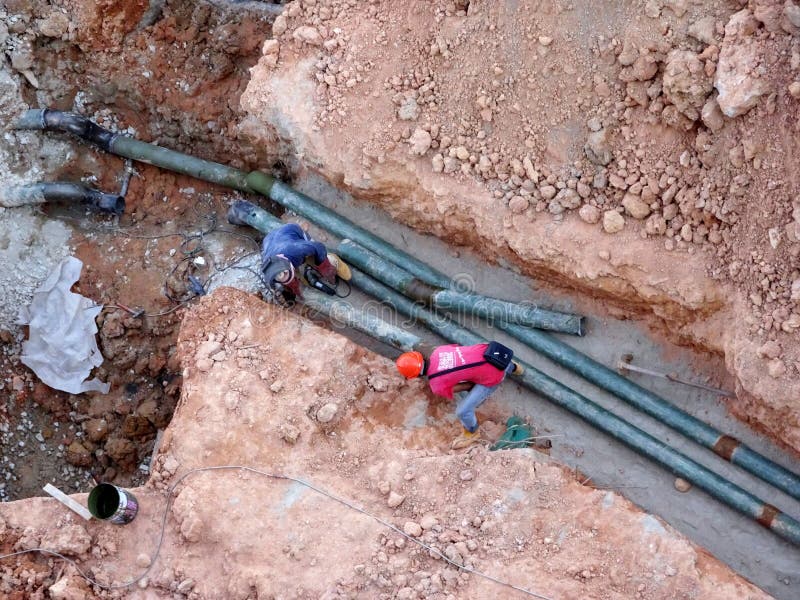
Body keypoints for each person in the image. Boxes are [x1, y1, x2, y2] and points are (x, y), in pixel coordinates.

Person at [395, 342, 523, 448]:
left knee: (462, 411)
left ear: (417, 375)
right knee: (474, 361)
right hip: (496, 353)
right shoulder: (439, 351)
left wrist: (474, 386)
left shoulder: (436, 384)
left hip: (495, 376)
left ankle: (472, 432)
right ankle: (515, 368)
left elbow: (465, 387)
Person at [260, 223, 350, 304]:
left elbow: (319, 247)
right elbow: (283, 280)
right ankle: (305, 274)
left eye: (285, 274)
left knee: (314, 255)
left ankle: (332, 259)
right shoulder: (271, 271)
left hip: (291, 231)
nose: (282, 276)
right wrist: (296, 291)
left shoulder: (297, 249)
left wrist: (325, 267)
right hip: (269, 241)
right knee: (295, 279)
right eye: (281, 277)